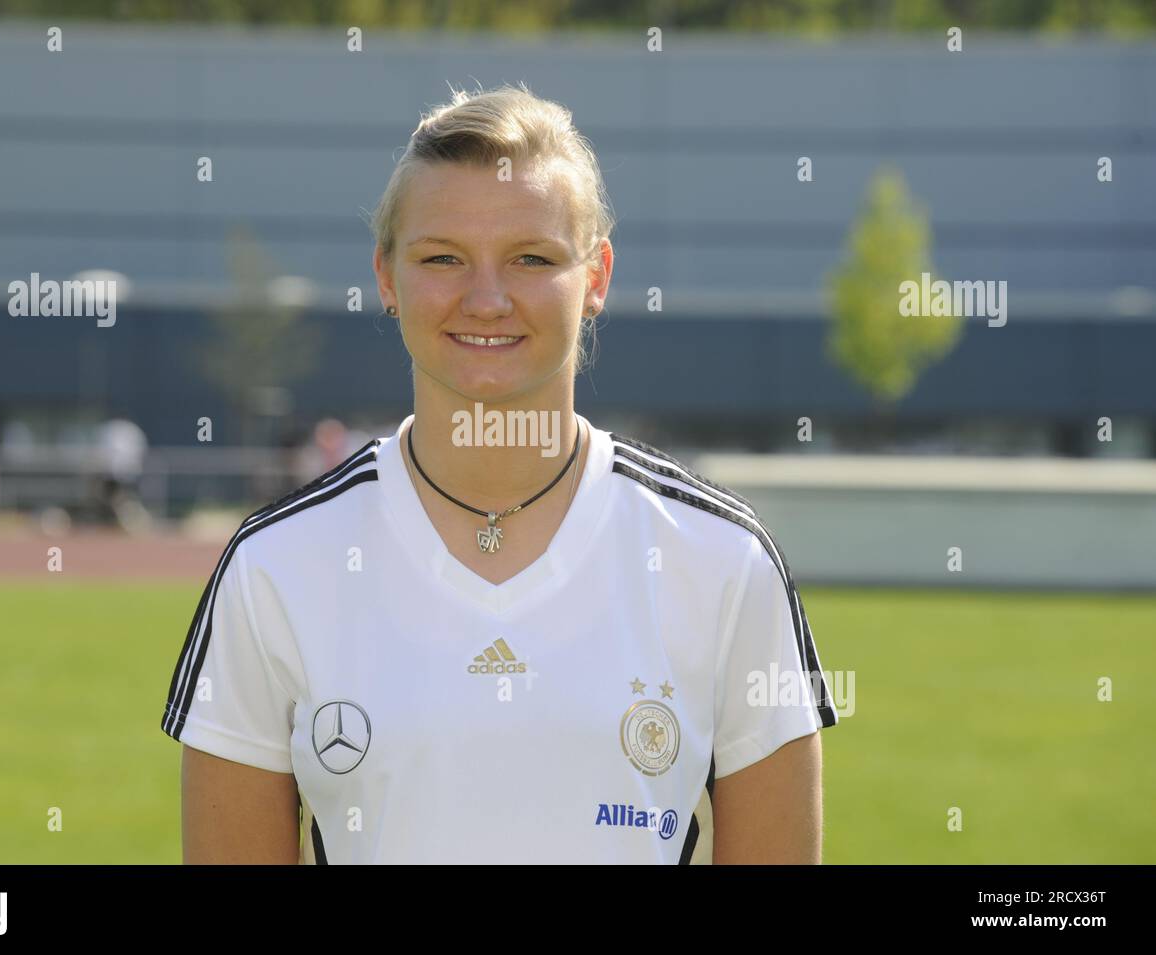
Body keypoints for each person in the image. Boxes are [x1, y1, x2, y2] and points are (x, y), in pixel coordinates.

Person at [162, 82, 838, 864]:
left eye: (531, 258)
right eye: (443, 257)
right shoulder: (274, 566)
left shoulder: (724, 561)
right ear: (386, 276)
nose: (486, 299)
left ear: (596, 277)